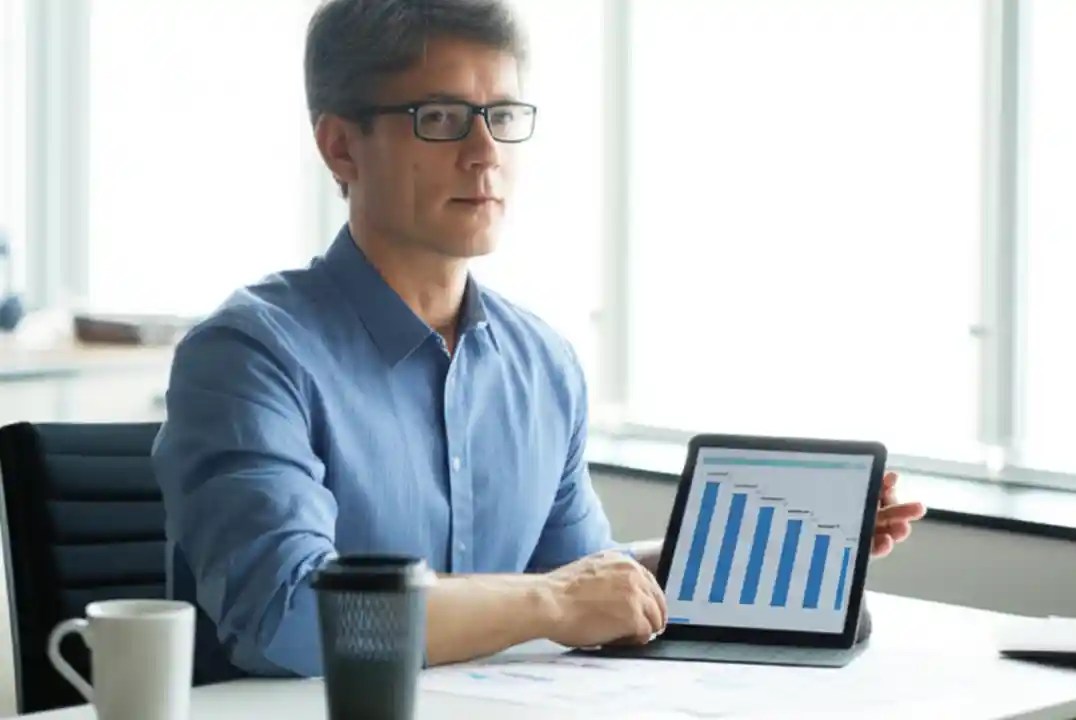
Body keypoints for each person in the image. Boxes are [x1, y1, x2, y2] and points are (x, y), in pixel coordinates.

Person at [153, 0, 927, 679]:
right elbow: (292, 616)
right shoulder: (249, 356)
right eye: (441, 118)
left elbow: (579, 579)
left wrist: (780, 551)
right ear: (340, 147)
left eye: (502, 117)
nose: (485, 152)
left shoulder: (541, 366)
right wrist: (552, 601)